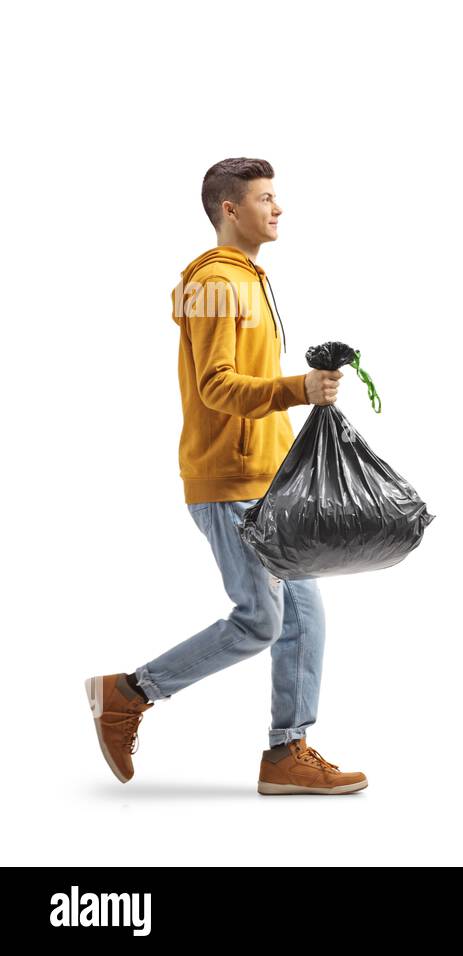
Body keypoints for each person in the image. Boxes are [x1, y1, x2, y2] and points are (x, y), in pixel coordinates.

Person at [85, 157, 366, 795]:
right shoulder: (216, 282)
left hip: (267, 478)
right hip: (232, 480)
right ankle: (128, 693)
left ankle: (286, 753)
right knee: (262, 621)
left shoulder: (247, 278)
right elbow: (216, 388)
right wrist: (299, 388)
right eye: (266, 197)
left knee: (304, 617)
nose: (279, 208)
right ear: (229, 210)